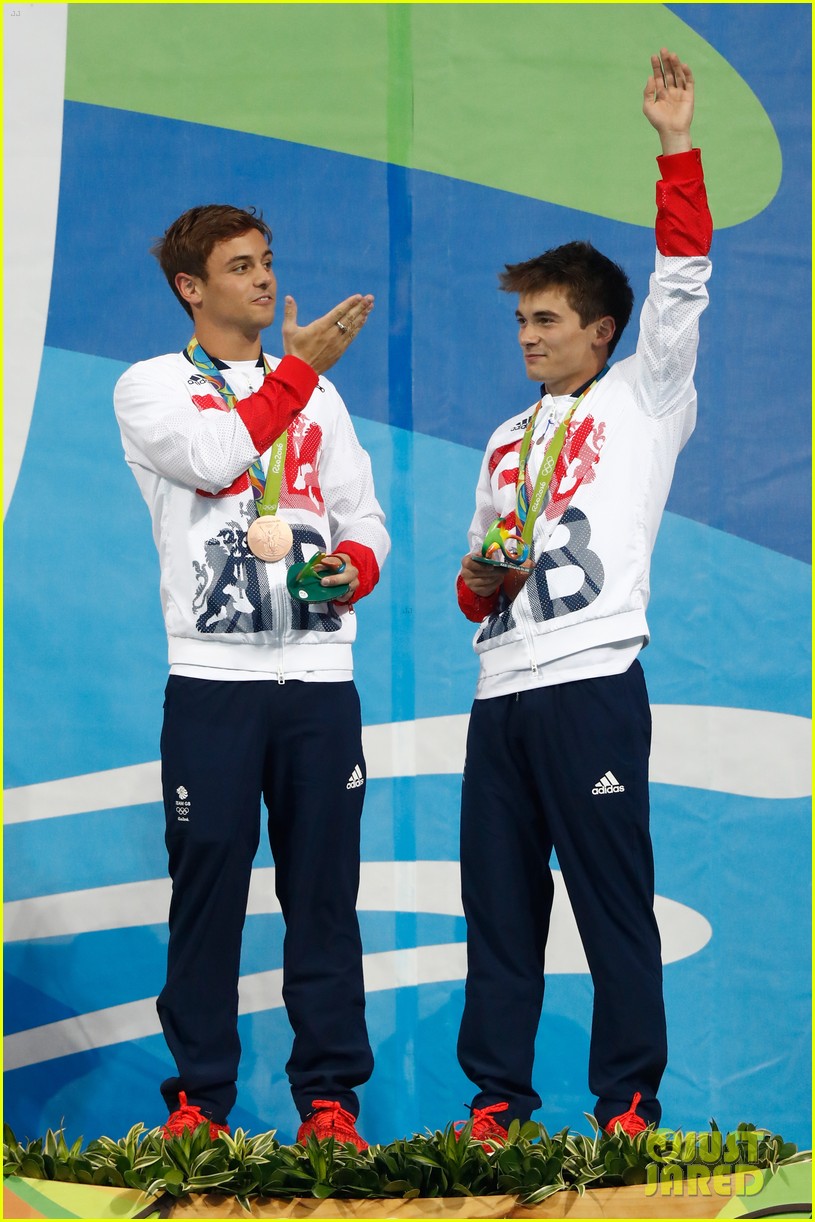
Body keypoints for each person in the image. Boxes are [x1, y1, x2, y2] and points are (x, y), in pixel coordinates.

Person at [453, 50, 712, 1143]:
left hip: (592, 681)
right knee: (499, 918)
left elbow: (682, 274)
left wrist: (672, 146)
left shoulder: (646, 397)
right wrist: (485, 578)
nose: (526, 336)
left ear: (600, 332)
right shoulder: (505, 438)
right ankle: (496, 1108)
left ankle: (626, 1108)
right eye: (519, 321)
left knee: (610, 907)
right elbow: (472, 590)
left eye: (545, 319)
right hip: (500, 694)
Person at [114, 204, 389, 1150]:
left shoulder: (318, 395)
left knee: (323, 898)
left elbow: (365, 516)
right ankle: (198, 1103)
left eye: (269, 261)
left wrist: (357, 563)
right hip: (212, 684)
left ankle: (328, 1105)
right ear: (192, 288)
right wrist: (304, 369)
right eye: (241, 267)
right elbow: (215, 458)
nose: (265, 281)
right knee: (209, 895)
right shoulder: (151, 388)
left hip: (319, 681)